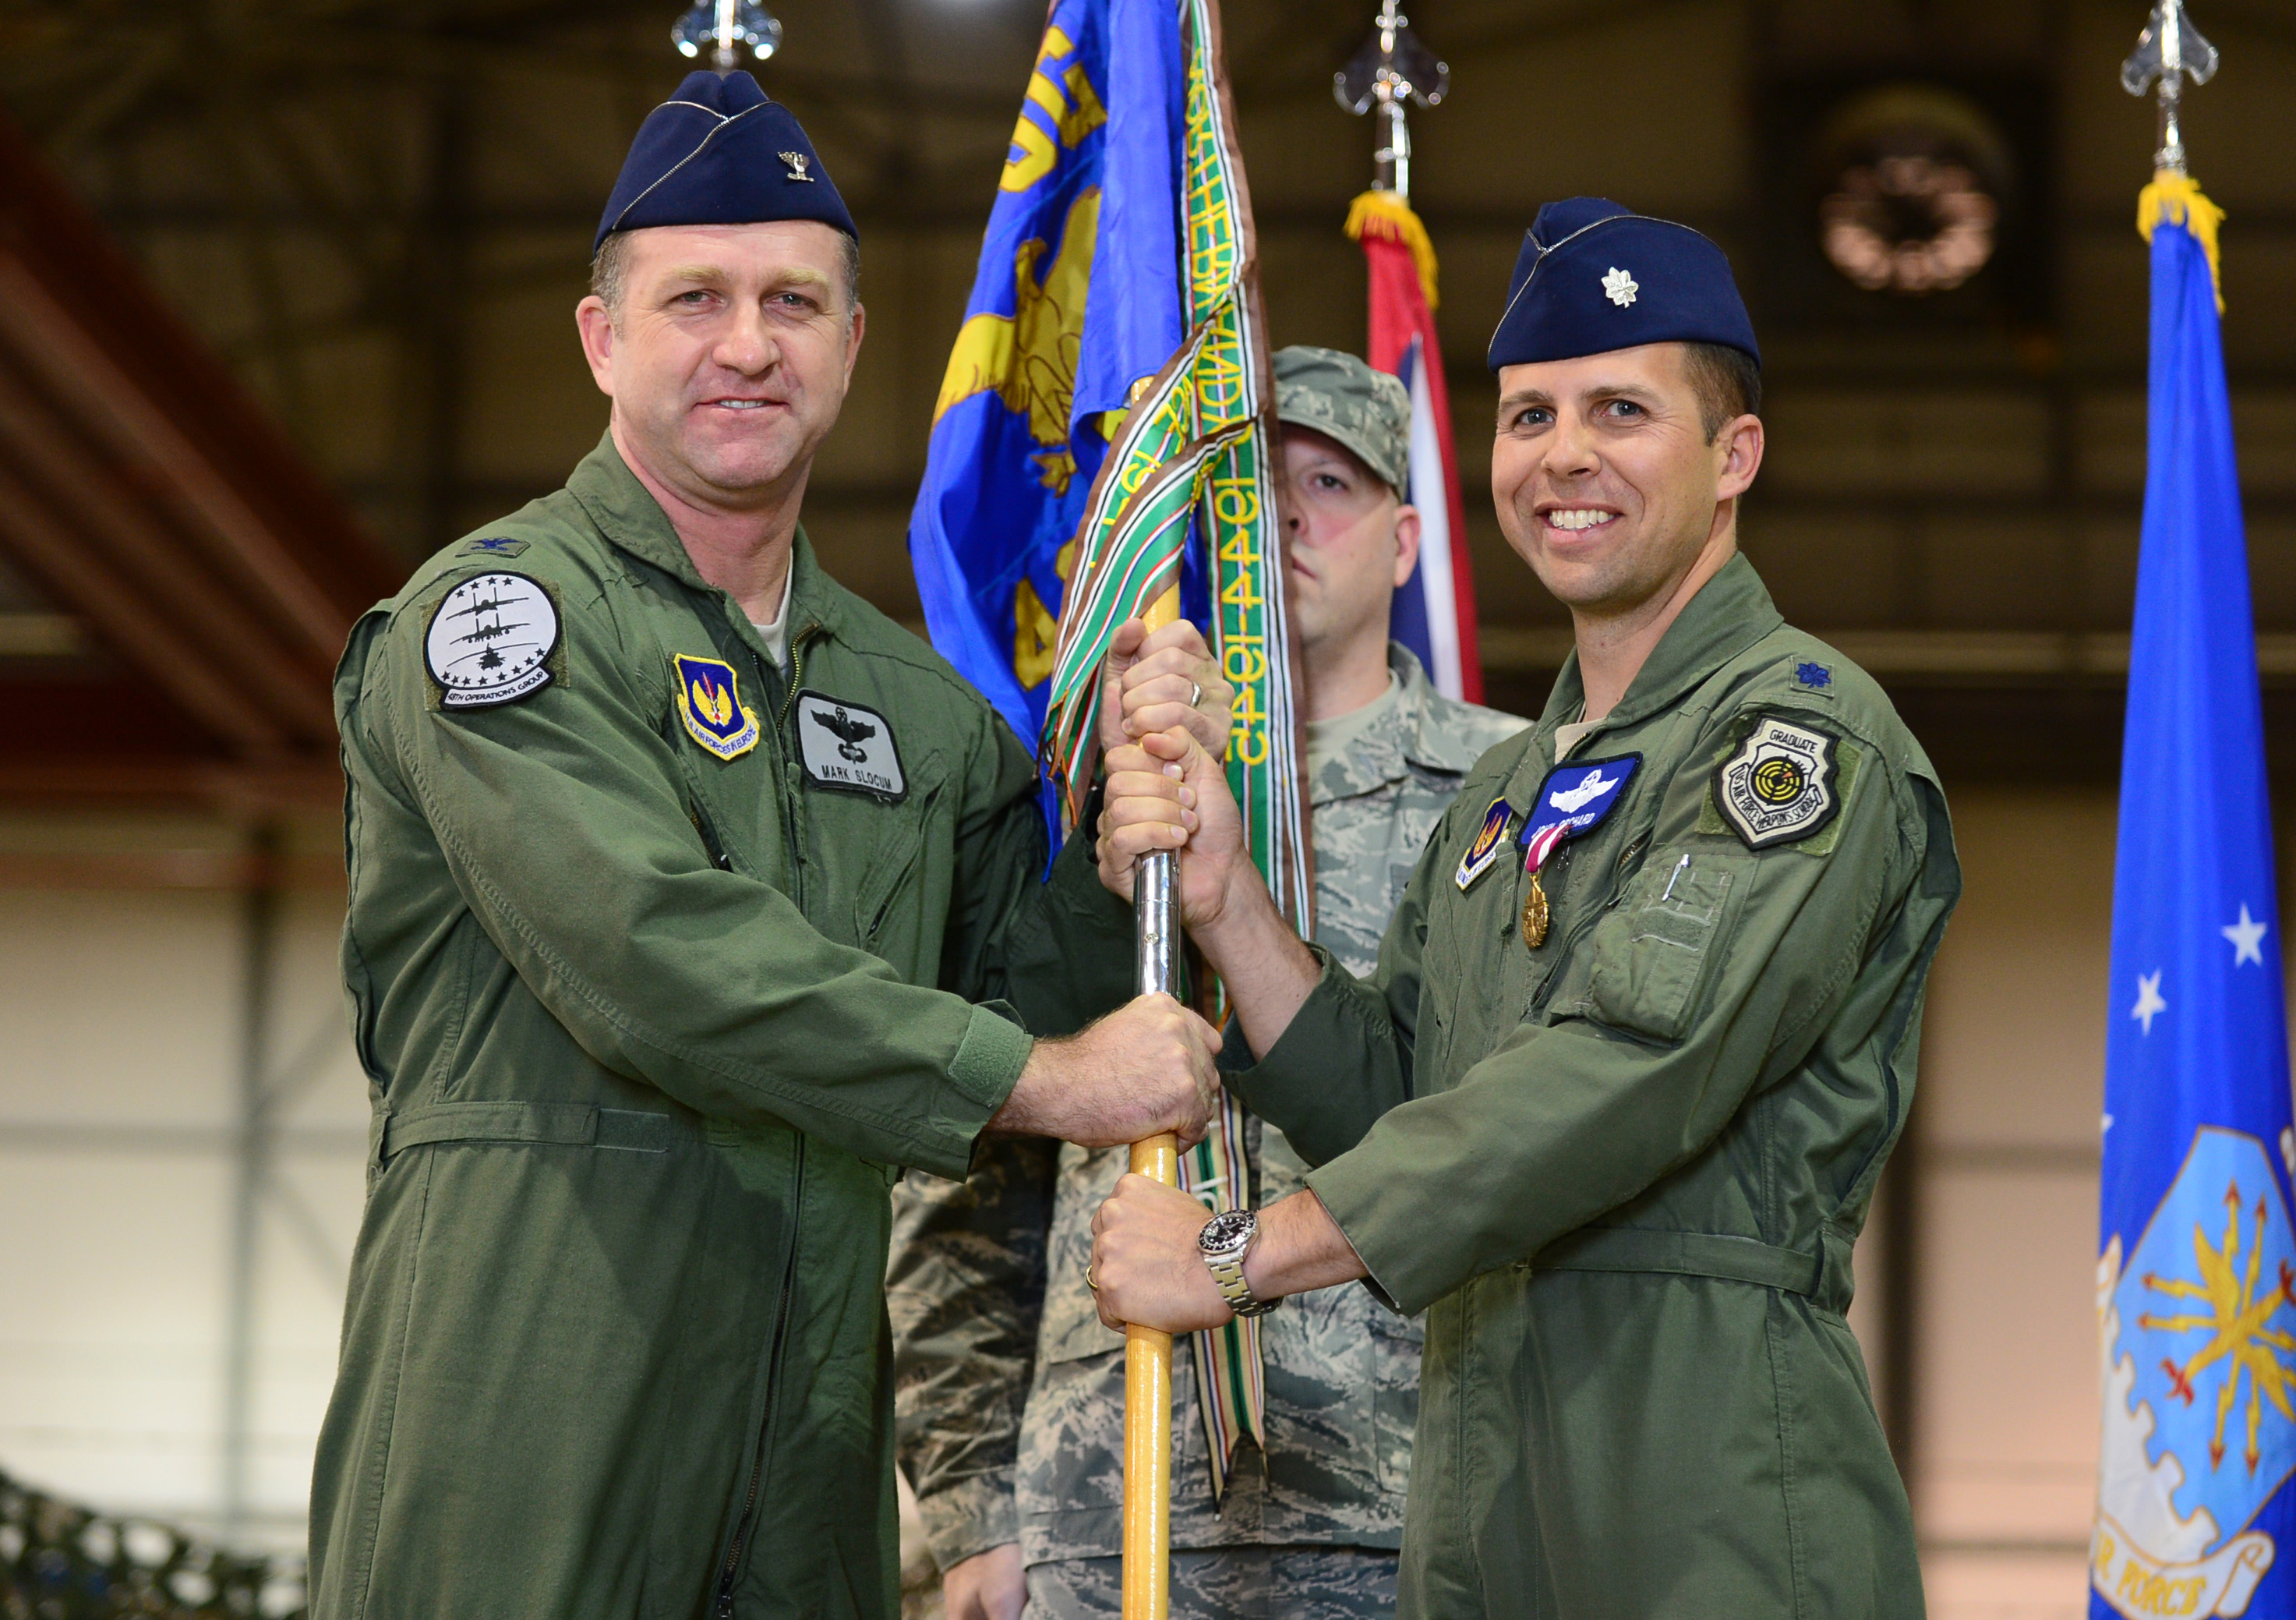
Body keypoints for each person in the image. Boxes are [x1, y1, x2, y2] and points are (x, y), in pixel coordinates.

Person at [308, 71, 1236, 1620]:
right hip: (524, 1439)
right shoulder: (500, 628)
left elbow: (1043, 983)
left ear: (854, 345)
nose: (750, 342)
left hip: (805, 1470)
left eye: (794, 301)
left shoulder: (917, 711)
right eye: (697, 299)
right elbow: (651, 957)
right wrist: (1049, 1079)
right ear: (604, 340)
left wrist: (1134, 808)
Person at [1090, 198, 1962, 1617]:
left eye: (1621, 410)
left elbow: (1616, 1075)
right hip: (1482, 1503)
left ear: (1733, 453)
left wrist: (1240, 1258)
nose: (1563, 456)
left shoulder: (1795, 741)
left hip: (1705, 1496)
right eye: (1527, 414)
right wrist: (1229, 900)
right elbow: (1394, 1100)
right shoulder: (1504, 791)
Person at [888, 346, 1528, 1620]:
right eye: (1245, 480)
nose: (1284, 514)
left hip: (1410, 1506)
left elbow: (1515, 1145)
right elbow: (962, 1157)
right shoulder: (1078, 799)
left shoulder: (1504, 798)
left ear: (1404, 543)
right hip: (1101, 1508)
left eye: (1329, 482)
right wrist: (968, 1509)